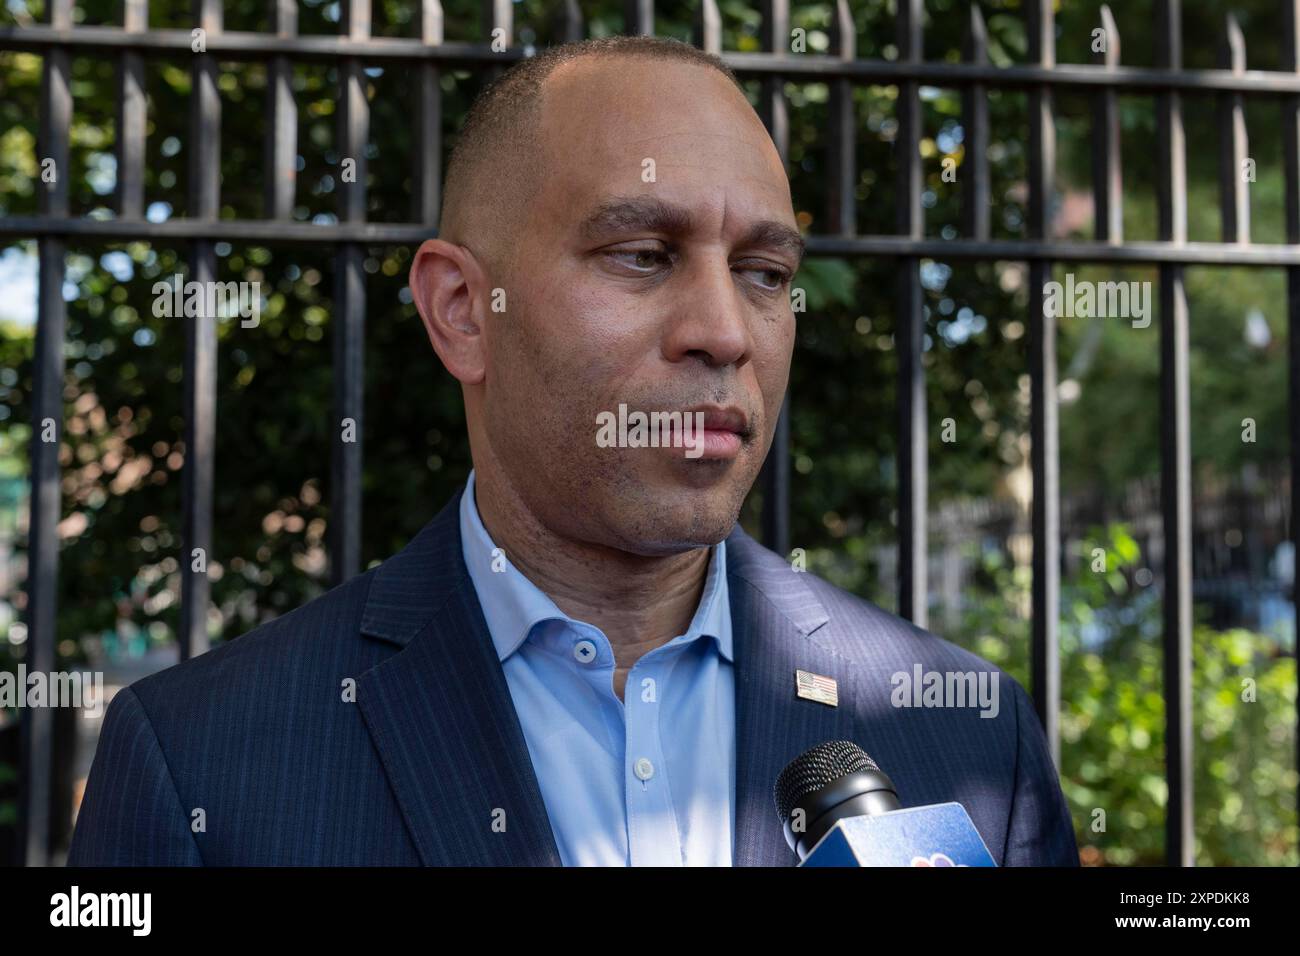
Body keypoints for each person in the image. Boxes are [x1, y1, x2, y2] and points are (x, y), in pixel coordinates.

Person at [68, 35, 1078, 867]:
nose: (724, 331)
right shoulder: (203, 759)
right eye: (642, 255)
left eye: (764, 272)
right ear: (462, 310)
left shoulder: (969, 733)